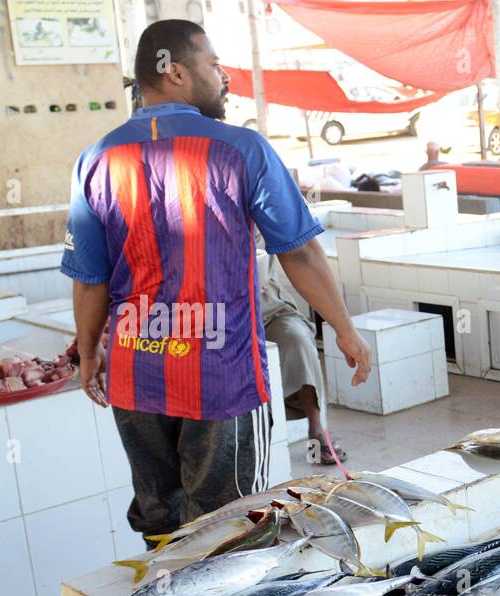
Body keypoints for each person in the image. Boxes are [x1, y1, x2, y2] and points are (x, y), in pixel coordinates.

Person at [61, 19, 371, 541]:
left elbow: (90, 278)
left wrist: (91, 353)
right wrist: (344, 328)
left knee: (158, 510)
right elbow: (299, 253)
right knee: (232, 516)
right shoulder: (241, 149)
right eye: (213, 64)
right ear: (176, 72)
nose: (223, 76)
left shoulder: (96, 159)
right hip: (218, 374)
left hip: (135, 373)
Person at [259, 255, 339, 461]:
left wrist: (345, 330)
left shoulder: (257, 222)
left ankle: (316, 429)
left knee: (298, 338)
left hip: (270, 308)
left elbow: (302, 254)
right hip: (218, 314)